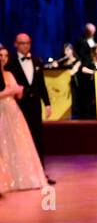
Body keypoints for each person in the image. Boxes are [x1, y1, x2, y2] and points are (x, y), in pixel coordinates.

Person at [6, 33, 53, 184]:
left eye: (27, 43)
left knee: (38, 139)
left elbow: (41, 85)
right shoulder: (10, 64)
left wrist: (47, 103)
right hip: (18, 107)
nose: (24, 46)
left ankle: (41, 174)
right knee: (20, 140)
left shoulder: (37, 61)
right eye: (21, 43)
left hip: (35, 107)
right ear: (15, 44)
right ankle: (21, 175)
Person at [0, 45, 46, 193]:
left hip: (13, 111)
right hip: (2, 111)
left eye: (5, 56)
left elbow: (18, 94)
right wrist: (10, 91)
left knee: (18, 142)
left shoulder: (9, 73)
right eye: (1, 55)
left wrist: (18, 91)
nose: (3, 58)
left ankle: (22, 177)